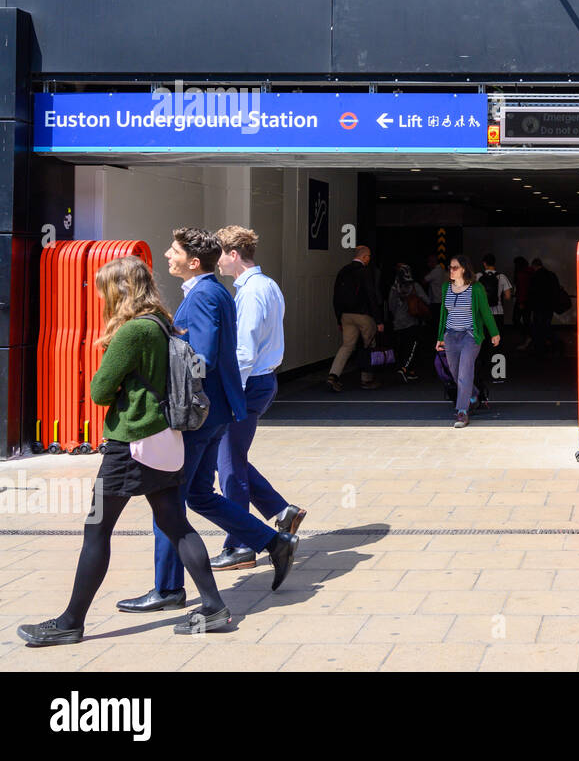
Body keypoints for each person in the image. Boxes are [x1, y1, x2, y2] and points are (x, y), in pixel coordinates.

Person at [17, 257, 232, 645]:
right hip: (164, 441)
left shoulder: (132, 332)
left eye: (105, 289)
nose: (101, 296)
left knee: (96, 529)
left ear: (120, 290)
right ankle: (214, 607)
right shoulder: (162, 322)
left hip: (128, 446)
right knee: (175, 522)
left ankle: (70, 622)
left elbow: (100, 390)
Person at [118, 229, 297, 616]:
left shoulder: (202, 296)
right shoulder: (215, 291)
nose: (167, 255)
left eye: (175, 251)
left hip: (199, 417)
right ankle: (273, 541)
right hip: (216, 412)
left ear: (193, 262)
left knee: (169, 501)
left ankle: (168, 588)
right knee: (199, 494)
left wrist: (166, 384)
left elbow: (201, 358)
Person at [209, 225, 305, 571]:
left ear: (234, 255)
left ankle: (240, 546)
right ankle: (281, 511)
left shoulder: (250, 293)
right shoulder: (267, 285)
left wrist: (230, 393)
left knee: (229, 468)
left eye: (219, 255)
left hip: (248, 384)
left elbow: (244, 352)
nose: (216, 262)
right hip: (262, 382)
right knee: (232, 459)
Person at [436, 254, 501, 429]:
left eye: (455, 267)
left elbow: (485, 312)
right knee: (456, 373)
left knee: (465, 372)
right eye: (450, 267)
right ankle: (473, 394)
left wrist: (494, 333)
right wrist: (440, 337)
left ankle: (462, 411)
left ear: (464, 269)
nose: (451, 270)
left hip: (470, 337)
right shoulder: (446, 288)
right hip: (451, 336)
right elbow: (443, 314)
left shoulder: (476, 288)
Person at [328, 245, 384, 392]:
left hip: (346, 316)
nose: (369, 259)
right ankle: (366, 379)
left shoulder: (343, 271)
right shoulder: (365, 272)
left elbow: (336, 297)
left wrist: (338, 317)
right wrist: (378, 320)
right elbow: (371, 296)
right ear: (364, 257)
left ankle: (333, 375)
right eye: (369, 256)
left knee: (346, 346)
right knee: (369, 345)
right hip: (363, 315)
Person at [388, 262, 431, 383]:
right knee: (412, 347)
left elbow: (391, 306)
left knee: (401, 347)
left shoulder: (394, 287)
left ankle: (407, 371)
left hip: (398, 322)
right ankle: (404, 369)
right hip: (412, 321)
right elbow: (426, 300)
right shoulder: (414, 286)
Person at [477, 254, 513, 384]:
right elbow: (508, 296)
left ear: (484, 264)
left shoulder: (478, 277)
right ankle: (498, 374)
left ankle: (479, 372)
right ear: (494, 263)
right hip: (497, 314)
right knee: (498, 344)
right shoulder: (501, 277)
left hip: (482, 315)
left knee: (481, 343)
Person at [527, 257, 560, 357]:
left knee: (538, 326)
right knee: (546, 324)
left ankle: (540, 347)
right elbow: (556, 289)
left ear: (534, 266)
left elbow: (532, 292)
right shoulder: (551, 275)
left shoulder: (534, 276)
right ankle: (553, 344)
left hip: (538, 306)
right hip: (549, 305)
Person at [512, 256, 532, 341]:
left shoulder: (521, 274)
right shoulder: (529, 272)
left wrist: (521, 302)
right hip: (529, 299)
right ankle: (529, 337)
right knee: (526, 320)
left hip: (522, 300)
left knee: (516, 319)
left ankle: (527, 337)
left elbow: (522, 289)